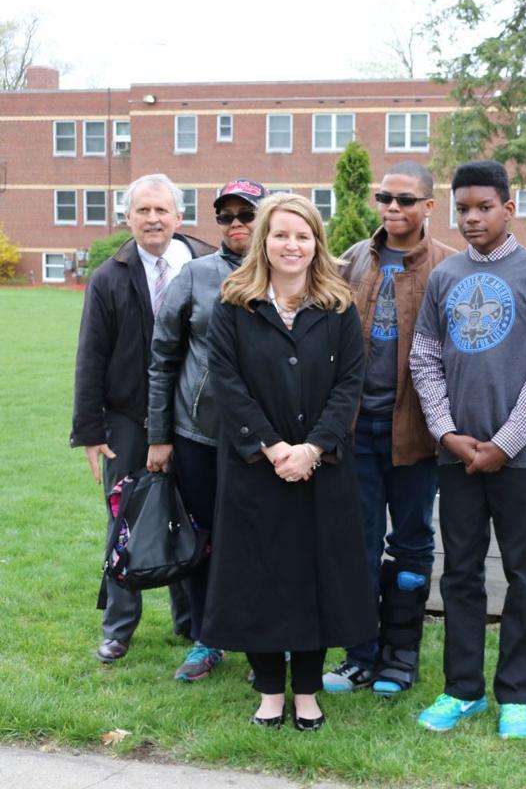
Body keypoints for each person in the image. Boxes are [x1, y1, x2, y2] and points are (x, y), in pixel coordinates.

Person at [202, 193, 375, 730]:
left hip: (321, 468)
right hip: (256, 467)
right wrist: (275, 447)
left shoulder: (339, 307)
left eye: (302, 236)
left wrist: (313, 448)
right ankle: (269, 692)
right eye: (281, 235)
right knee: (259, 577)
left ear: (316, 243)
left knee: (313, 578)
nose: (291, 245)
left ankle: (307, 692)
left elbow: (351, 384)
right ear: (264, 241)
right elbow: (226, 385)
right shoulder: (234, 304)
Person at [410, 159, 526, 739]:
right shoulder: (445, 278)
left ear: (509, 207)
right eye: (463, 209)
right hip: (456, 455)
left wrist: (503, 444)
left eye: (483, 207)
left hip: (519, 459)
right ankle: (462, 689)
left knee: (525, 576)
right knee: (461, 574)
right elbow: (424, 360)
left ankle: (517, 696)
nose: (472, 218)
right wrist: (447, 432)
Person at [322, 162, 456, 696]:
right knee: (356, 543)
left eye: (405, 200)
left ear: (428, 206)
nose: (393, 208)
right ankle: (360, 654)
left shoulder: (449, 266)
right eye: (385, 198)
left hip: (416, 434)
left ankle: (400, 657)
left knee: (412, 543)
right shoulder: (355, 258)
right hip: (355, 430)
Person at [71, 173, 215, 663]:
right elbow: (90, 354)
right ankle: (118, 627)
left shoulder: (203, 263)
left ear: (178, 216)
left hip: (194, 414)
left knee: (192, 517)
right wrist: (91, 430)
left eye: (162, 210)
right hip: (129, 417)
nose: (153, 219)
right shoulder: (111, 276)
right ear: (127, 217)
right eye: (142, 211)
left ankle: (192, 621)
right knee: (126, 518)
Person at [146, 178, 266, 681]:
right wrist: (159, 434)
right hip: (198, 433)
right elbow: (162, 358)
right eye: (226, 216)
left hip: (264, 440)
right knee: (198, 539)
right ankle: (206, 637)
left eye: (247, 215)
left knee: (261, 537)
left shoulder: (285, 272)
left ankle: (263, 630)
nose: (236, 224)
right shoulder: (195, 277)